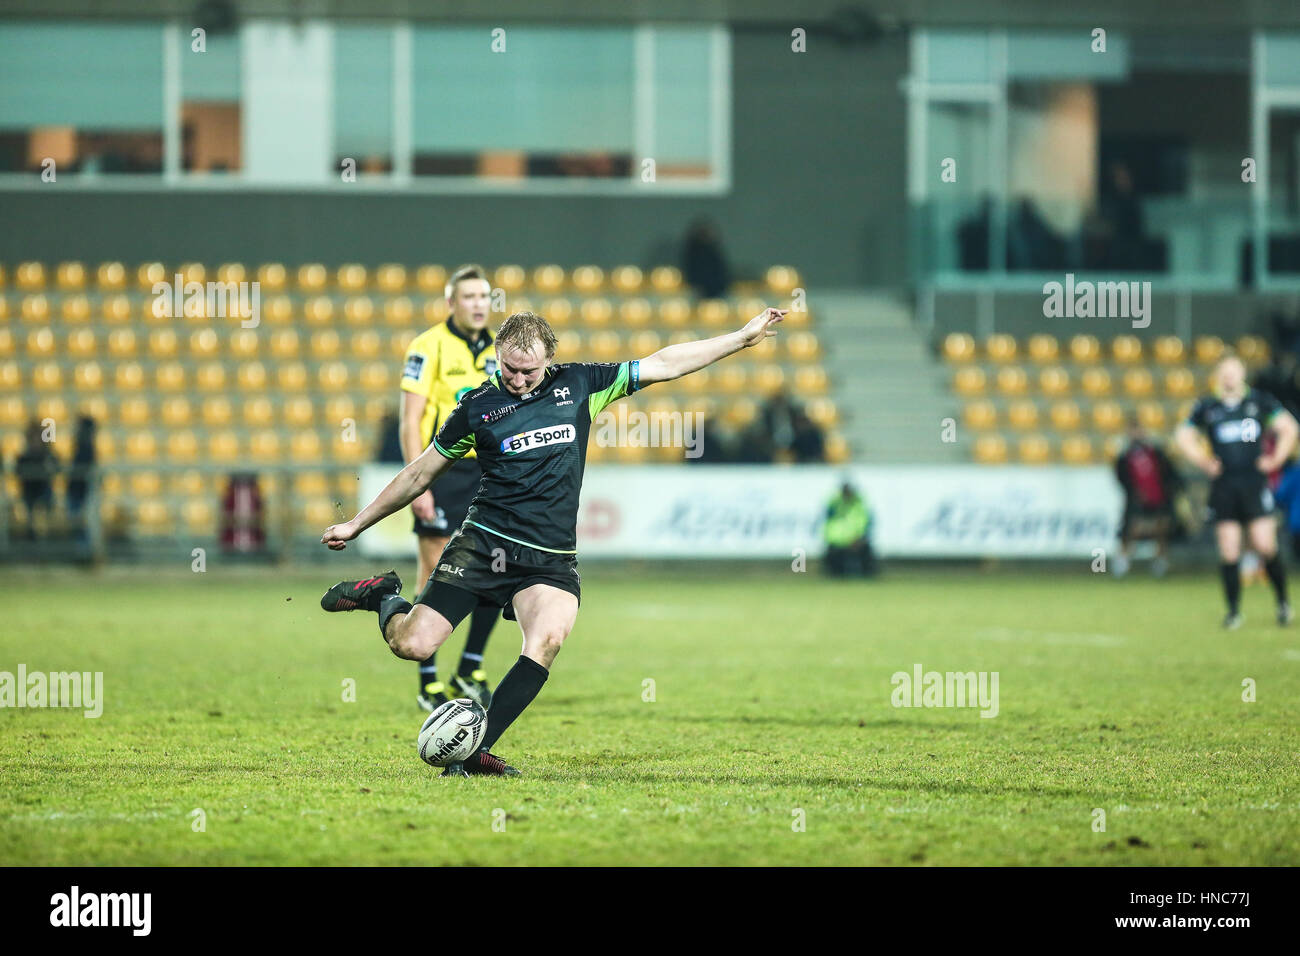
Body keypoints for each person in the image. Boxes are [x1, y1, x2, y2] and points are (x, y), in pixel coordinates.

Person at [319, 306, 786, 776]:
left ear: (551, 360)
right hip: (484, 545)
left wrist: (741, 339)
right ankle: (384, 596)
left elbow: (663, 363)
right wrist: (357, 524)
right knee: (413, 646)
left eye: (529, 371)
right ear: (497, 359)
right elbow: (420, 473)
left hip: (549, 558)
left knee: (547, 639)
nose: (519, 380)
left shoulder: (583, 384)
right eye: (509, 369)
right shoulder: (476, 408)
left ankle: (476, 751)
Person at [399, 264, 500, 712]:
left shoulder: (503, 350)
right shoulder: (427, 346)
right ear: (451, 303)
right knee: (436, 572)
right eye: (470, 296)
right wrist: (419, 484)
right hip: (444, 471)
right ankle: (428, 680)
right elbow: (410, 420)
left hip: (492, 472)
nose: (479, 304)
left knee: (497, 568)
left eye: (484, 296)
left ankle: (470, 666)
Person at [1175, 353, 1300, 628]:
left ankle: (1282, 603)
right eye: (1225, 372)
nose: (1229, 376)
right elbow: (1183, 436)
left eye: (1234, 371)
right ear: (1219, 375)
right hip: (1224, 486)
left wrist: (1276, 459)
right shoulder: (1207, 406)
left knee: (1265, 544)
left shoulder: (1259, 401)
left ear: (1242, 374)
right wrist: (1203, 461)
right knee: (1229, 551)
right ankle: (1233, 612)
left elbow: (1289, 427)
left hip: (1254, 483)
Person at [1113, 414, 1181, 578]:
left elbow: (1168, 472)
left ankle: (1160, 562)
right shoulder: (1125, 455)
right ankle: (1122, 562)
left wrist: (1171, 490)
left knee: (1162, 528)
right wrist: (1134, 493)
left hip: (1159, 497)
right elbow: (1121, 476)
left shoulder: (1155, 452)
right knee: (1131, 530)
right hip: (1136, 499)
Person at [15, 419, 57, 539]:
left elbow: (56, 467)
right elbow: (18, 471)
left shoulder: (47, 454)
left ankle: (49, 536)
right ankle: (31, 536)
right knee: (29, 512)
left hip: (43, 490)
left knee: (47, 508)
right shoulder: (24, 456)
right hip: (29, 491)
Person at [823, 482, 875, 577]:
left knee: (866, 553)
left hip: (856, 540)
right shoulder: (835, 504)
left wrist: (859, 538)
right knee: (834, 558)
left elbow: (864, 522)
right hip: (838, 542)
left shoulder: (858, 504)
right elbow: (830, 526)